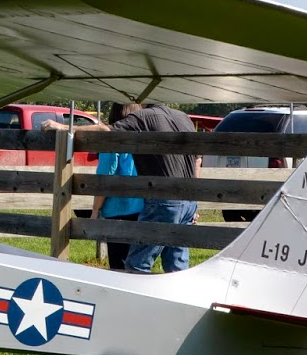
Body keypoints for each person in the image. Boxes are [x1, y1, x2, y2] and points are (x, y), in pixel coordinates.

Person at [53, 101, 199, 272]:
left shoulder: (143, 116)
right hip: (188, 200)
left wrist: (64, 127)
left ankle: (134, 298)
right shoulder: (183, 118)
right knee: (177, 265)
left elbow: (106, 132)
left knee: (137, 264)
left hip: (163, 200)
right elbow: (197, 159)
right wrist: (195, 199)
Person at [91, 104, 146, 270]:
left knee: (118, 263)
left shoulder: (113, 140)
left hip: (118, 209)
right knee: (136, 261)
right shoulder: (144, 139)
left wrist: (95, 209)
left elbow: (104, 178)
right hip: (142, 208)